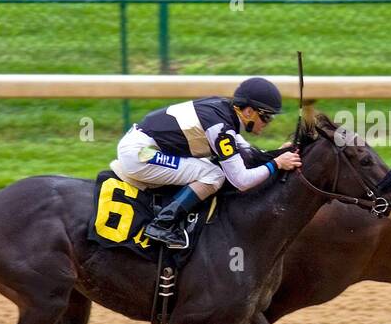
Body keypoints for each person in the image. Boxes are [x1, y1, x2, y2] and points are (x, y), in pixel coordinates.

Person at [111, 77, 301, 247]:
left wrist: (279, 152)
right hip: (141, 154)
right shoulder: (220, 127)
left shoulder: (225, 113)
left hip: (143, 146)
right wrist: (276, 164)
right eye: (266, 117)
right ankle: (162, 224)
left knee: (210, 169)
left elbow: (248, 153)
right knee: (213, 174)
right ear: (249, 111)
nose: (267, 123)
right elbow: (241, 181)